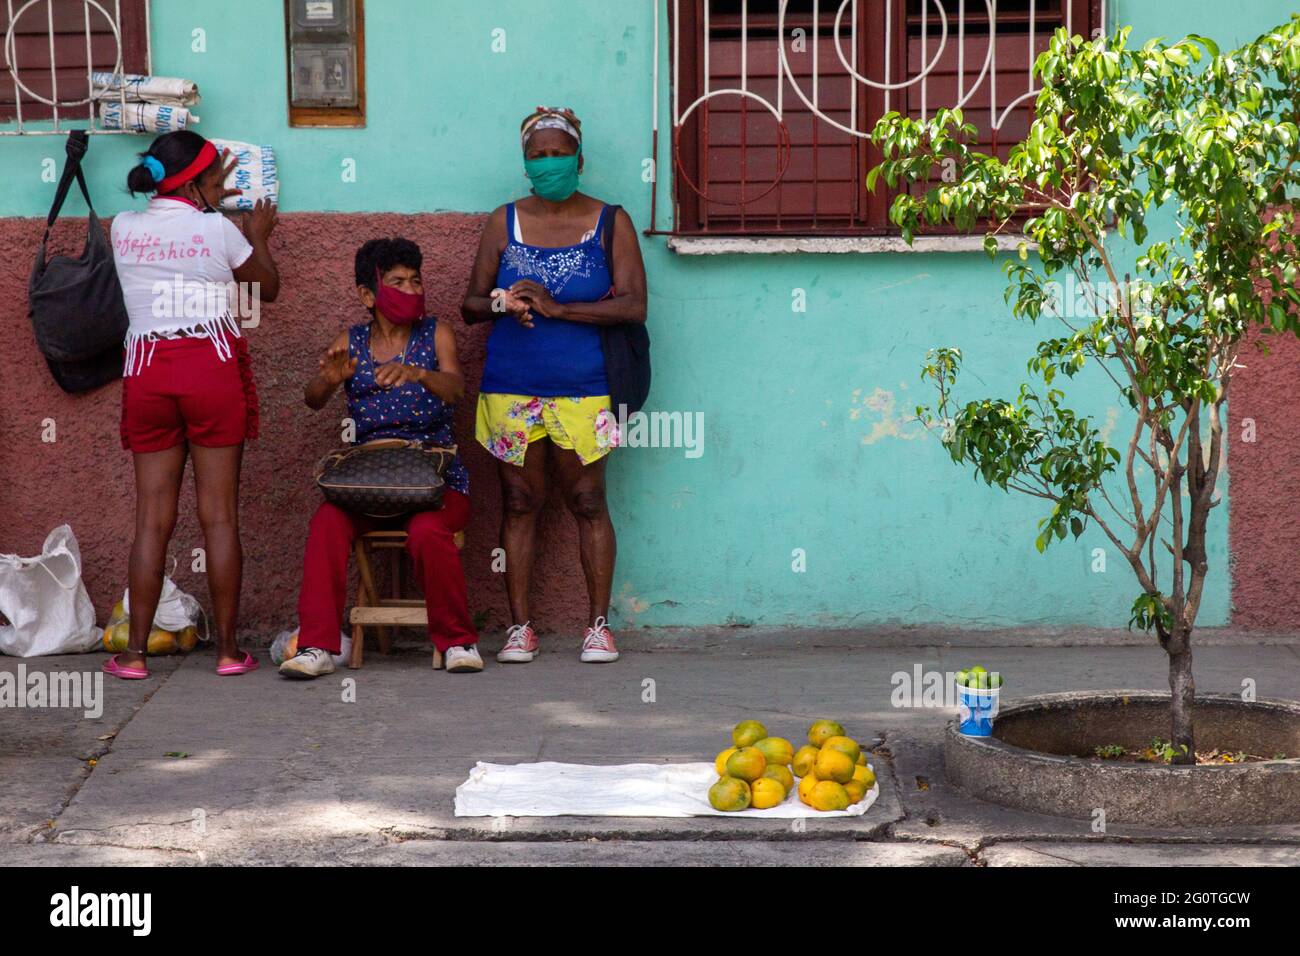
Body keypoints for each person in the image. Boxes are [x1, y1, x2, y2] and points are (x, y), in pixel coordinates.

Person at [461, 106, 648, 664]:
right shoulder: (504, 222)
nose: (549, 164)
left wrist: (556, 307)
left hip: (585, 385)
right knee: (520, 501)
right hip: (511, 385)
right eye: (538, 157)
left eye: (558, 154)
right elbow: (470, 303)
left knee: (588, 500)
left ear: (580, 160)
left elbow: (634, 305)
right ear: (525, 164)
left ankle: (598, 626)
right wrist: (504, 300)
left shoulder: (610, 221)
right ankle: (520, 628)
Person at [105, 130, 279, 680]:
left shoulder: (123, 227)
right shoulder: (217, 229)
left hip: (147, 371)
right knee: (219, 516)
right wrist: (259, 236)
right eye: (215, 177)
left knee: (151, 520)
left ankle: (133, 654)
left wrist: (204, 196)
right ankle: (228, 651)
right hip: (210, 365)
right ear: (202, 182)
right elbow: (266, 288)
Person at [280, 238, 481, 678]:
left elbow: (457, 389)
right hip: (369, 484)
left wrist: (419, 375)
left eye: (415, 280)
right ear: (368, 295)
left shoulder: (436, 333)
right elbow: (312, 399)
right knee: (328, 523)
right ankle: (317, 647)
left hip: (436, 481)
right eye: (396, 282)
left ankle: (457, 642)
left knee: (428, 531)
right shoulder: (350, 341)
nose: (410, 290)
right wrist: (329, 380)